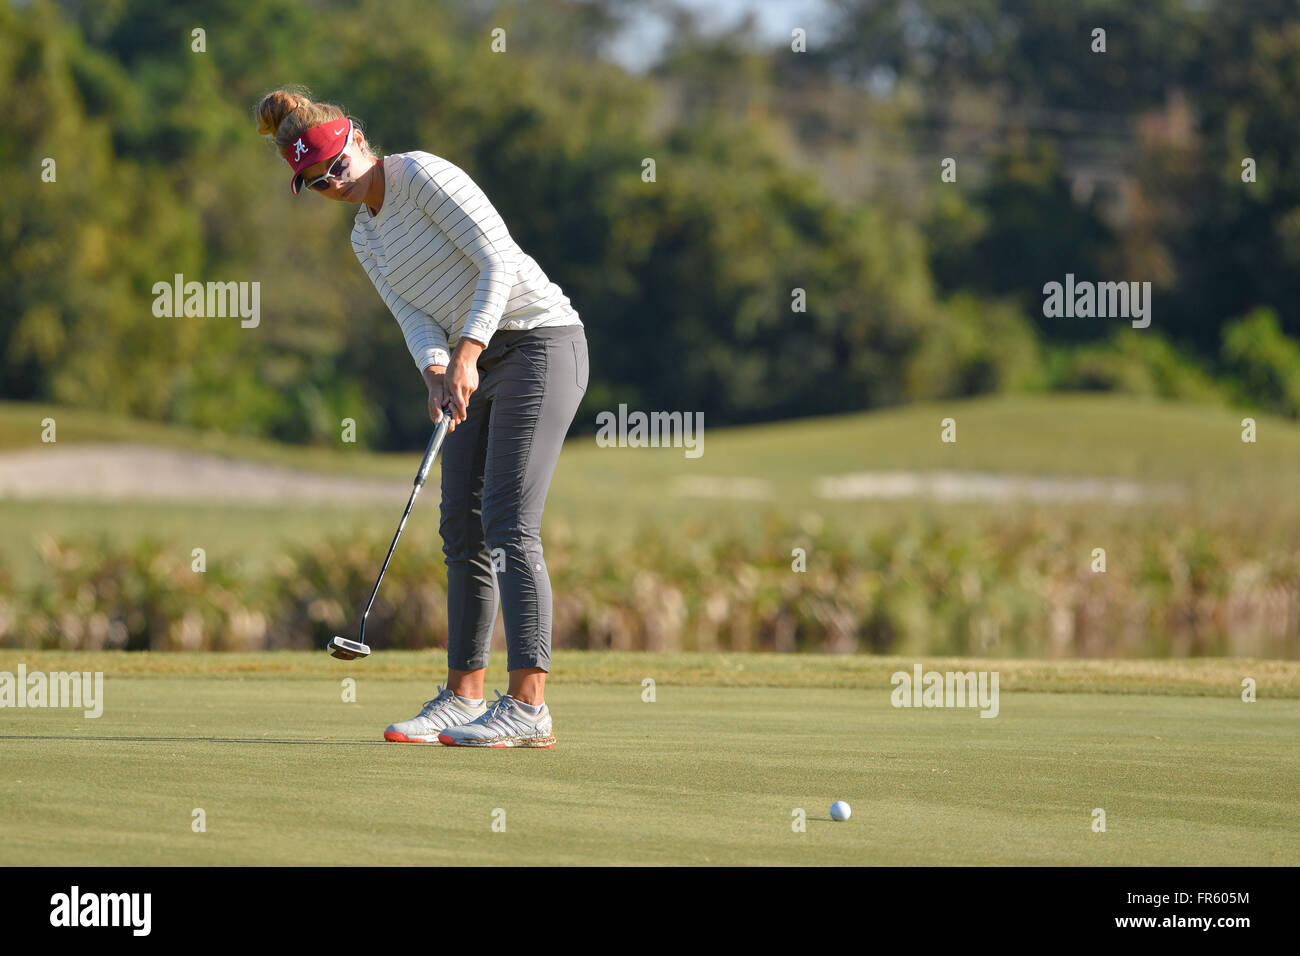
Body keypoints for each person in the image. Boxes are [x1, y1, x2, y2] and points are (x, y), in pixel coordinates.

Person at [255, 88, 587, 748]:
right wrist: (436, 372)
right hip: (472, 362)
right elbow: (414, 315)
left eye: (336, 165)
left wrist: (467, 352)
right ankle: (464, 699)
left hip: (538, 342)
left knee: (508, 522)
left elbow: (498, 261)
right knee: (461, 527)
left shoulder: (423, 175)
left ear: (356, 141)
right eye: (316, 181)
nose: (332, 182)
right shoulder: (365, 238)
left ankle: (528, 709)